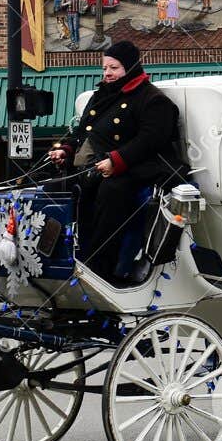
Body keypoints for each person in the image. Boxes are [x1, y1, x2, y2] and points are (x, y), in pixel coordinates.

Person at [49, 40, 184, 284]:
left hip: (138, 168)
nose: (108, 74)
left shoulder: (152, 99)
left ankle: (102, 267)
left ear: (130, 67)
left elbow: (151, 140)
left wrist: (117, 161)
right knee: (54, 187)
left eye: (114, 68)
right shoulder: (101, 96)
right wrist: (66, 150)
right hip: (96, 165)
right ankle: (58, 258)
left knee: (112, 191)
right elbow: (84, 132)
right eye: (105, 68)